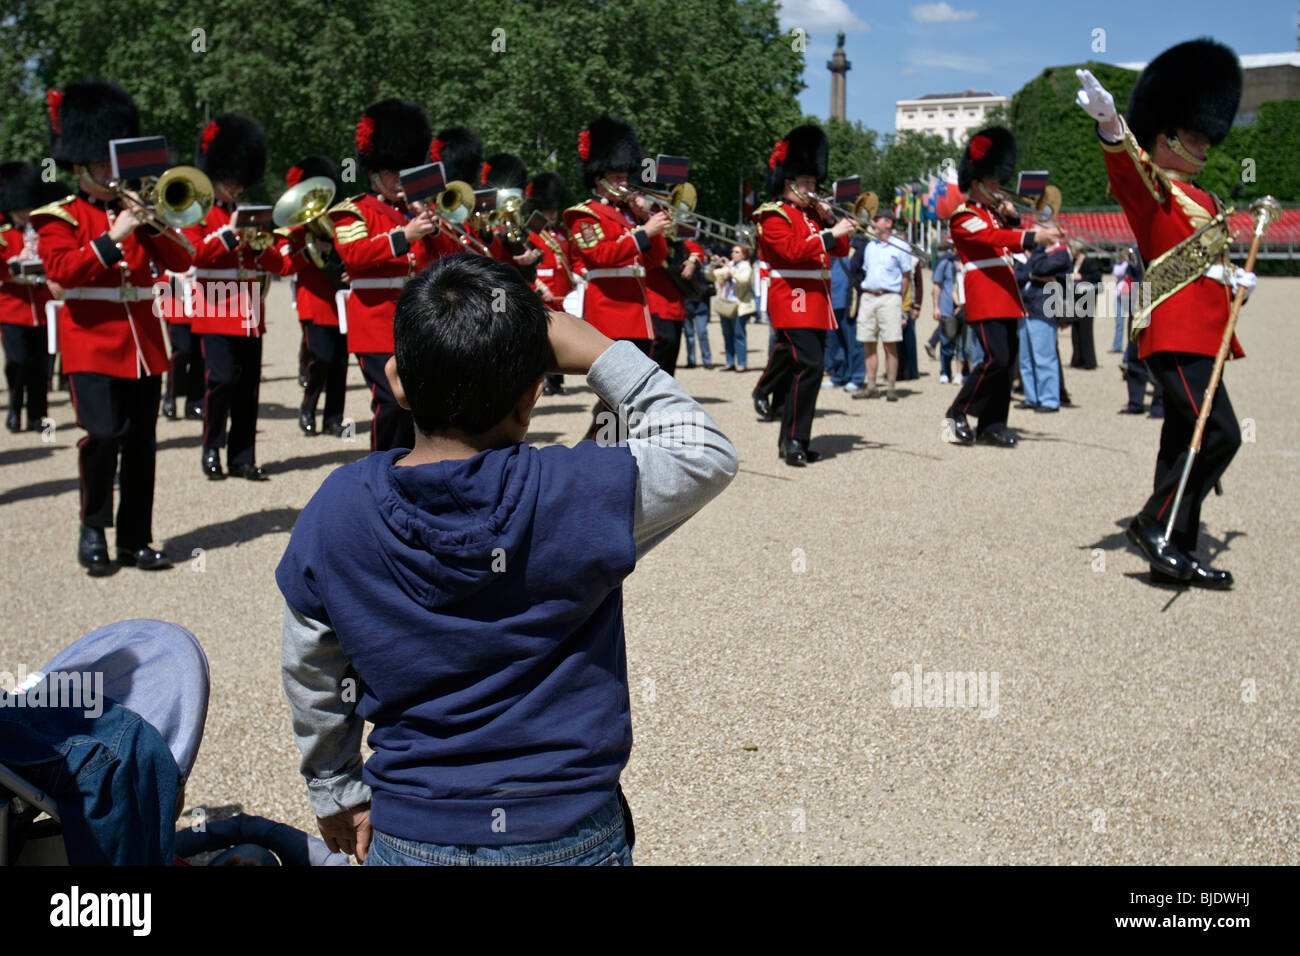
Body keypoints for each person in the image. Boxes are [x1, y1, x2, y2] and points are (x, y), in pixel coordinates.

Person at [275, 254, 737, 865]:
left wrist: (333, 786)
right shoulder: (575, 490)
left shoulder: (335, 507)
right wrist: (601, 350)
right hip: (566, 828)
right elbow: (703, 449)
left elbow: (313, 667)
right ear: (531, 398)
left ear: (396, 382)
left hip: (412, 827)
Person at [1078, 40, 1249, 588]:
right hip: (1174, 333)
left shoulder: (1206, 200)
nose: (1201, 145)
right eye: (1193, 135)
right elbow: (1130, 172)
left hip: (1206, 332)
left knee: (1183, 440)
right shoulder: (1156, 192)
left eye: (1203, 135)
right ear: (1164, 136)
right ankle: (1153, 522)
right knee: (1221, 434)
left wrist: (1233, 281)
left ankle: (1174, 552)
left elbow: (1207, 267)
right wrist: (1111, 126)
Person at [34, 79, 192, 574]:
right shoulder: (58, 215)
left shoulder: (140, 209)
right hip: (92, 345)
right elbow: (61, 270)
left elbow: (183, 260)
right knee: (101, 437)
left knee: (142, 445)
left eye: (112, 165)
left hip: (143, 343)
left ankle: (134, 539)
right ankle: (92, 527)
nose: (108, 175)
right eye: (99, 167)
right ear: (79, 168)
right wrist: (112, 237)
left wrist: (149, 224)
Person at [332, 102, 461, 453]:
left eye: (405, 170)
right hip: (375, 322)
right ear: (373, 173)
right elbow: (354, 255)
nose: (399, 178)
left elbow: (453, 255)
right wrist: (404, 236)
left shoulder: (419, 211)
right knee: (391, 403)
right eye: (391, 171)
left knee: (423, 405)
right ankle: (383, 472)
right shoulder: (353, 210)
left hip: (420, 320)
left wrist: (430, 224)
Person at [942, 127, 1061, 447]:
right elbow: (992, 240)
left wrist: (1012, 220)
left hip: (1005, 292)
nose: (998, 186)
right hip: (984, 291)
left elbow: (1009, 242)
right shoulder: (963, 215)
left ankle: (992, 425)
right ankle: (957, 412)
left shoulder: (994, 214)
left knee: (1006, 363)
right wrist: (1032, 235)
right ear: (977, 182)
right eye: (992, 180)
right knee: (994, 359)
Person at [185, 113, 280, 481]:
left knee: (247, 385)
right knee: (221, 380)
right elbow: (193, 255)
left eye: (240, 181)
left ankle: (241, 456)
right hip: (214, 304)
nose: (236, 187)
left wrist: (261, 244)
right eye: (230, 180)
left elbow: (277, 263)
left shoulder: (250, 213)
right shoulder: (199, 212)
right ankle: (211, 447)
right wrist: (229, 234)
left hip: (248, 308)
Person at [753, 124, 855, 465]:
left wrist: (831, 222)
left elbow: (840, 250)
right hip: (793, 298)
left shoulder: (814, 216)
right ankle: (791, 440)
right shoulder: (772, 215)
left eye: (814, 182)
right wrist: (829, 233)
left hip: (815, 301)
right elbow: (793, 252)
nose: (813, 189)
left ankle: (797, 436)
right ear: (788, 182)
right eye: (806, 183)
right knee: (810, 366)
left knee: (809, 367)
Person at [563, 116, 670, 437]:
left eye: (626, 176)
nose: (625, 183)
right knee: (616, 397)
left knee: (627, 396)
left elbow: (657, 257)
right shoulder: (583, 214)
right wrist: (642, 233)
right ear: (600, 179)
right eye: (617, 177)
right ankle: (595, 451)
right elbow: (600, 255)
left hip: (635, 314)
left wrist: (646, 218)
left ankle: (607, 448)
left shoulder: (628, 215)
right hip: (610, 313)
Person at [275, 155, 349, 437]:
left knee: (340, 362)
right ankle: (308, 408)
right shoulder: (294, 229)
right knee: (320, 358)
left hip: (339, 299)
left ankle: (333, 419)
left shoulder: (337, 224)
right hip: (314, 301)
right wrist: (310, 250)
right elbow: (284, 265)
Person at [0, 161, 56, 432]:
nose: (26, 212)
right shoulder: (3, 235)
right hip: (13, 309)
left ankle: (38, 415)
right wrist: (13, 263)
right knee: (18, 363)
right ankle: (14, 407)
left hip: (42, 311)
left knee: (40, 367)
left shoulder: (44, 233)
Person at [850, 210, 911, 401]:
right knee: (868, 342)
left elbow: (906, 277)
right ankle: (871, 385)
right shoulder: (870, 247)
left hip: (889, 297)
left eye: (879, 221)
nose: (874, 224)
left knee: (889, 343)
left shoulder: (900, 246)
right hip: (869, 296)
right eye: (874, 220)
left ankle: (891, 386)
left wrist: (900, 301)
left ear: (889, 224)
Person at [524, 171, 575, 395]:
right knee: (542, 339)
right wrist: (536, 288)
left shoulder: (562, 233)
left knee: (561, 338)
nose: (552, 213)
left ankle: (557, 381)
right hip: (542, 292)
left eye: (554, 209)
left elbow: (574, 260)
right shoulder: (531, 233)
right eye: (548, 209)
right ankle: (542, 379)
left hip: (562, 294)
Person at [1015, 235, 1069, 412]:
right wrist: (1033, 275)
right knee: (1026, 359)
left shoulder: (1060, 254)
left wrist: (1037, 252)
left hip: (1044, 309)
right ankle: (1032, 397)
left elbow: (1040, 267)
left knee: (1044, 357)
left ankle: (1049, 399)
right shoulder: (1035, 254)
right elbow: (1018, 275)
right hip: (1026, 309)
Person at [823, 233, 863, 392]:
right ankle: (838, 375)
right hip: (830, 298)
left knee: (853, 342)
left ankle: (857, 376)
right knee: (834, 343)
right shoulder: (826, 242)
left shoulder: (858, 245)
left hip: (848, 299)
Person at [711, 244, 755, 372]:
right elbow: (714, 275)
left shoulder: (746, 266)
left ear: (744, 255)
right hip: (726, 304)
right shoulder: (731, 265)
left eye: (737, 252)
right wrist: (714, 264)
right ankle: (729, 362)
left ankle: (742, 362)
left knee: (738, 334)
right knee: (727, 334)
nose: (733, 254)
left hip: (739, 305)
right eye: (733, 251)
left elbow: (743, 280)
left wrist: (730, 269)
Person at [930, 238, 960, 384]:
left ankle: (963, 372)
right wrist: (936, 307)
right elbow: (937, 286)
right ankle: (945, 371)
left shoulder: (968, 262)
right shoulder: (945, 262)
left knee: (963, 343)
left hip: (965, 308)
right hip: (947, 307)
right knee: (947, 341)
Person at [1069, 242, 1101, 370]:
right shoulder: (1073, 262)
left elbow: (1097, 277)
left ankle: (1089, 361)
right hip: (1076, 298)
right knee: (1075, 330)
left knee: (1086, 330)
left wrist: (1081, 276)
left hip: (1087, 299)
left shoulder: (1089, 262)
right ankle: (1077, 359)